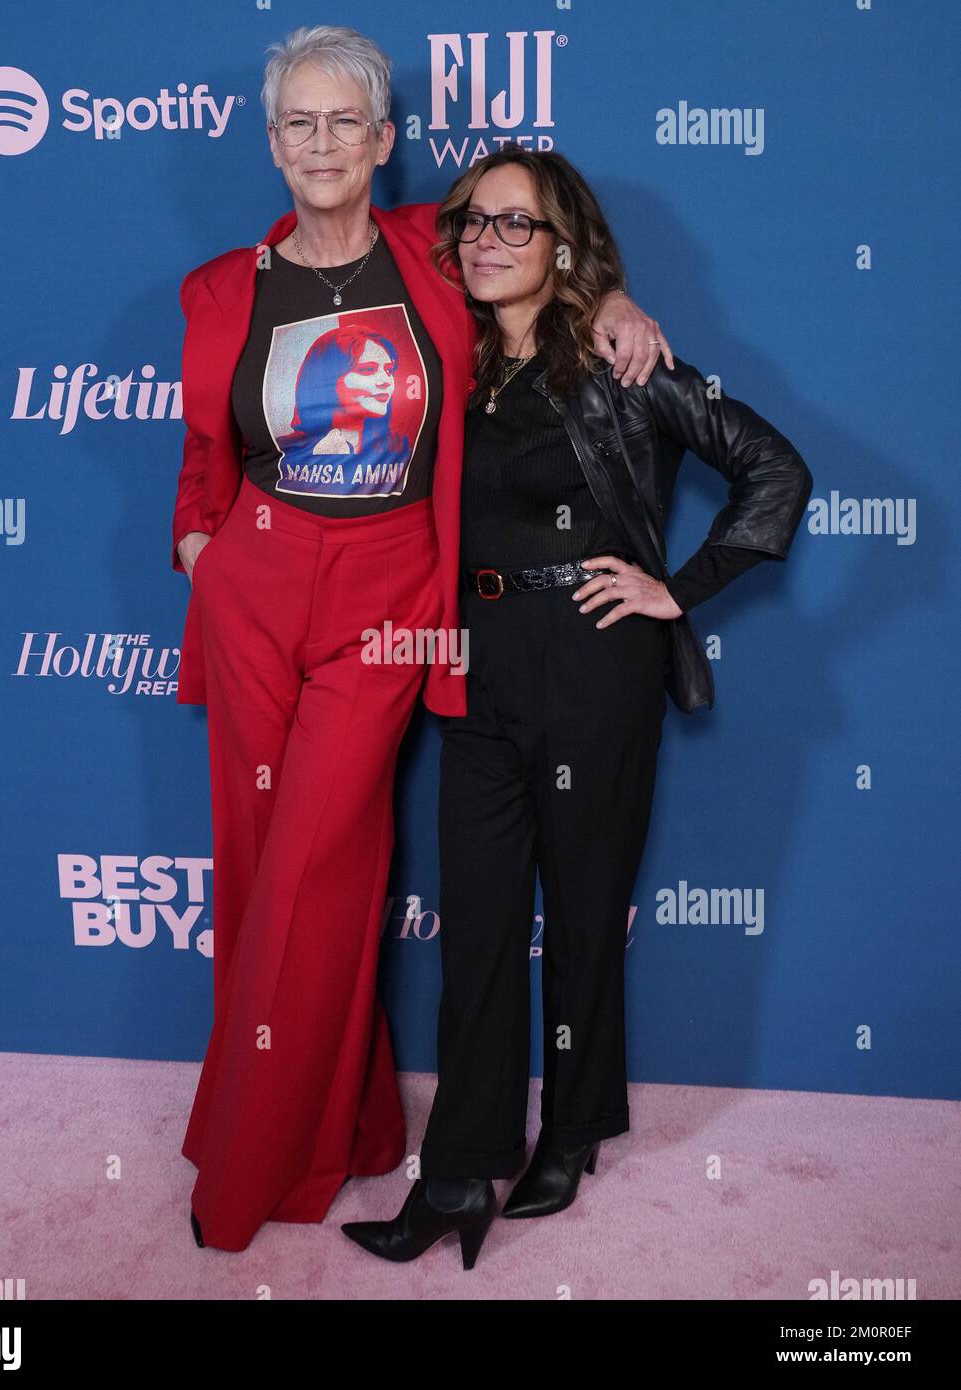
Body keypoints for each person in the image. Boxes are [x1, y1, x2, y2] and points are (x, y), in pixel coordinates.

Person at [172, 28, 670, 1253]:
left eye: (345, 121)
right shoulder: (219, 287)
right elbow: (204, 447)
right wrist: (198, 544)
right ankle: (347, 1129)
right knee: (258, 865)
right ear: (271, 142)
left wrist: (613, 297)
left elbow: (546, 260)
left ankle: (246, 1165)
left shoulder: (437, 257)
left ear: (384, 139)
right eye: (300, 122)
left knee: (316, 863)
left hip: (391, 597)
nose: (323, 143)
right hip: (254, 584)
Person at [340, 144, 813, 1270]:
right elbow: (356, 234)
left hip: (596, 661)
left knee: (587, 913)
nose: (487, 241)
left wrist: (675, 589)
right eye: (474, 221)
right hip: (471, 662)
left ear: (564, 246)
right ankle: (458, 1170)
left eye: (518, 224)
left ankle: (571, 1129)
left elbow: (775, 469)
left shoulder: (620, 361)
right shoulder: (443, 355)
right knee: (477, 926)